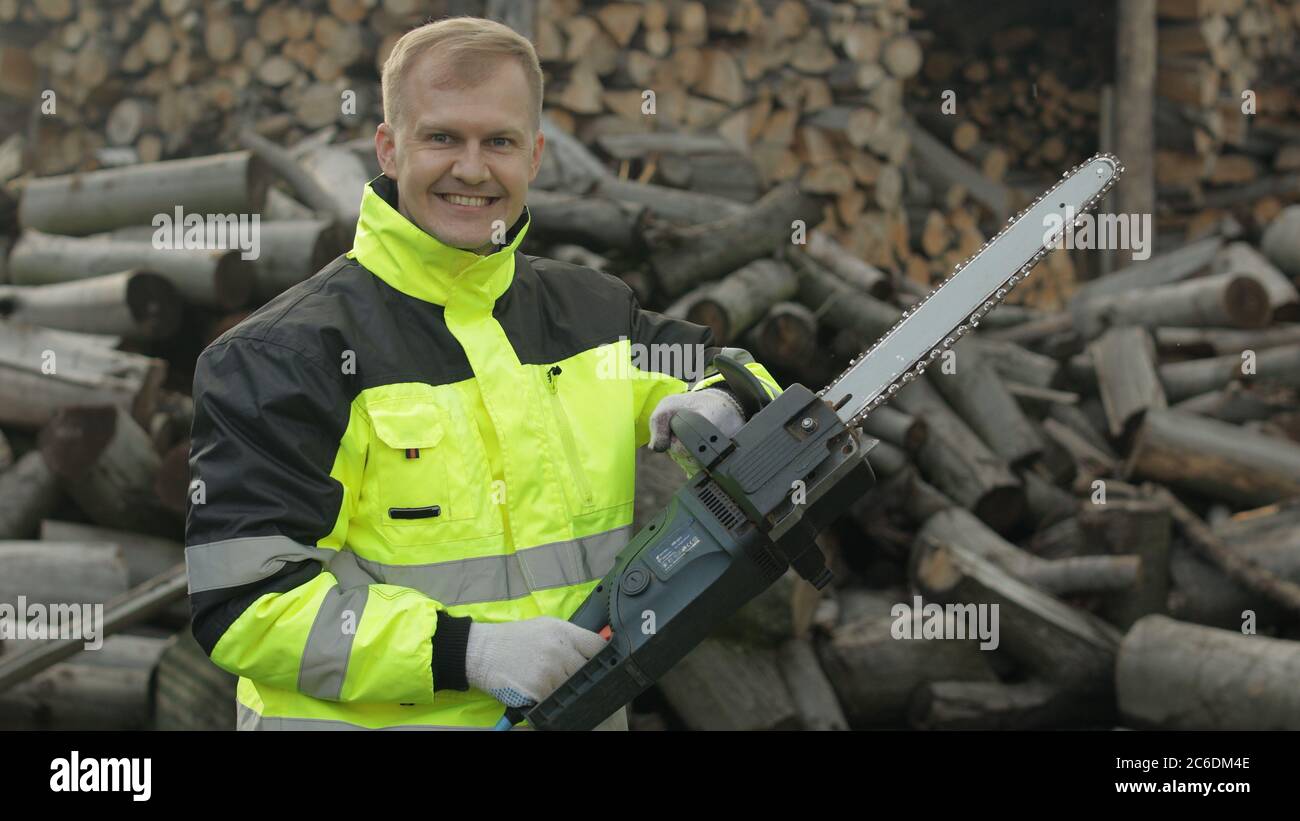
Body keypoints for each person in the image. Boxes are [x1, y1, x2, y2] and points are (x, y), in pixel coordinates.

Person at [184, 16, 781, 731]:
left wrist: (729, 401)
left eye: (498, 142)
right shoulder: (282, 356)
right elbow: (243, 607)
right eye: (442, 137)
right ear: (389, 147)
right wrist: (466, 651)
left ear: (533, 156)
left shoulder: (593, 312)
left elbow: (730, 373)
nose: (472, 169)